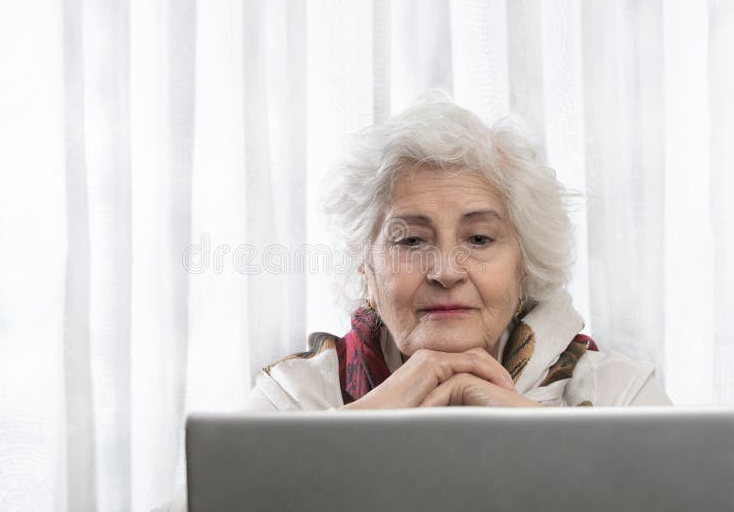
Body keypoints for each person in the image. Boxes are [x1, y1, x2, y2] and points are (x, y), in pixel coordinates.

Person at [242, 95, 671, 411]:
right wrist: (363, 427)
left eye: (479, 239)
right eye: (410, 241)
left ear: (525, 267)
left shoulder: (619, 395)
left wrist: (538, 437)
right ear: (366, 267)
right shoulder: (293, 399)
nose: (446, 272)